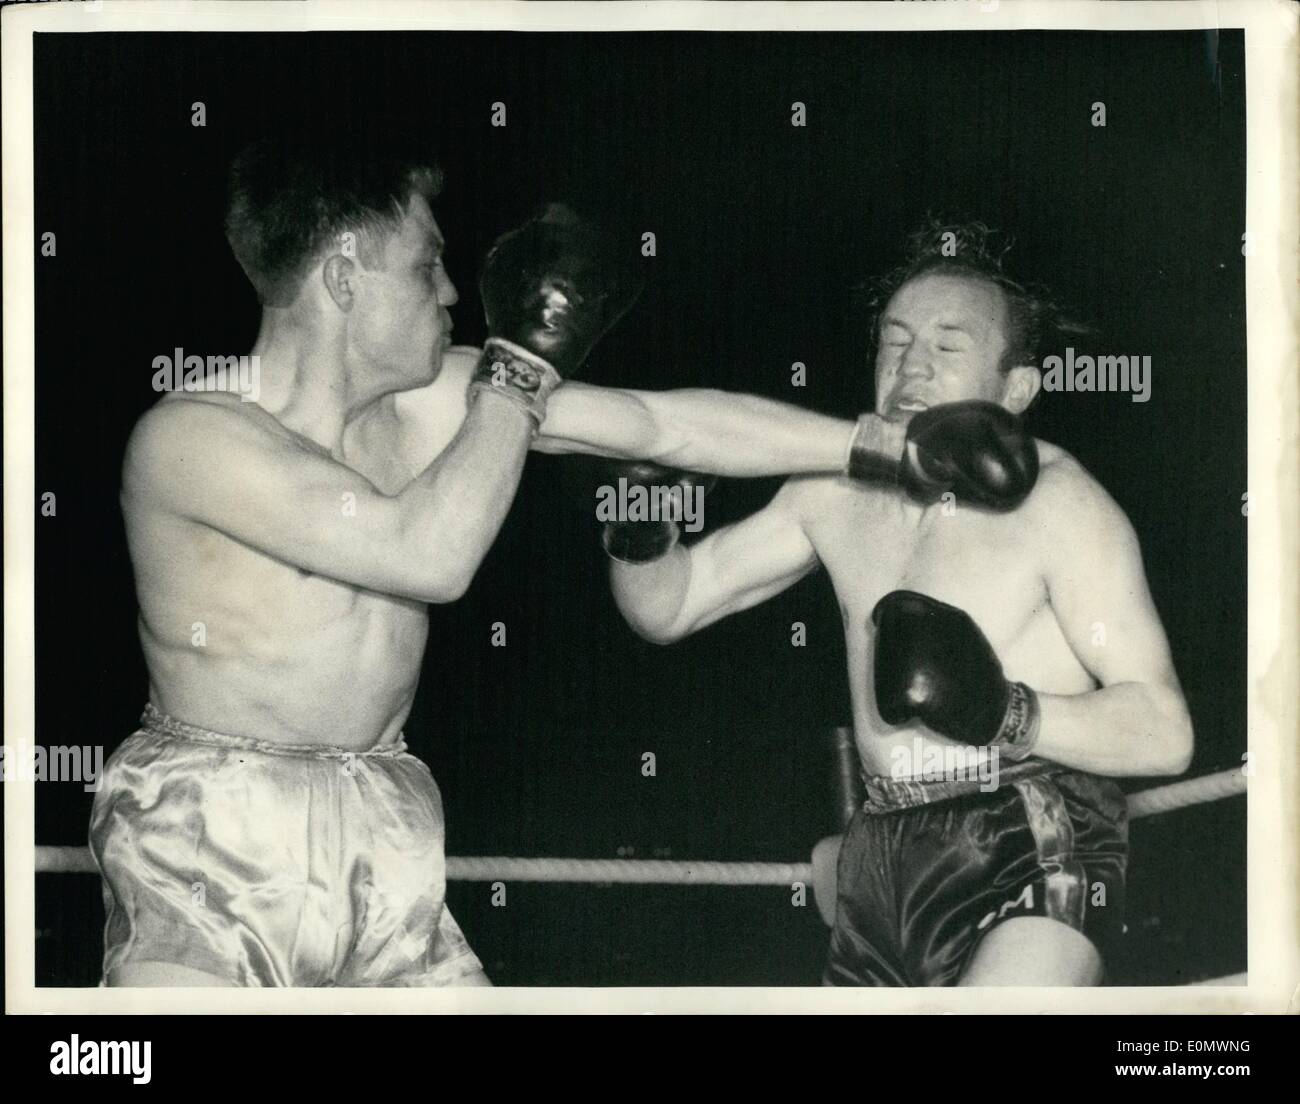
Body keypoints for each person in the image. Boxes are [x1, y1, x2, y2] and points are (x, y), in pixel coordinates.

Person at [90, 138, 933, 987]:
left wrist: (891, 449)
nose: (454, 291)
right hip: (211, 837)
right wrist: (519, 370)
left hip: (384, 823)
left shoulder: (429, 402)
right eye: (427, 266)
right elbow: (425, 555)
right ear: (344, 278)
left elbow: (662, 423)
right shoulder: (190, 440)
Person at [602, 221, 1193, 986]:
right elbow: (669, 607)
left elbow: (1164, 731)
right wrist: (640, 520)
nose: (912, 367)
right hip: (883, 848)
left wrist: (1004, 710)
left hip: (1028, 829)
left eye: (947, 348)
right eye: (895, 342)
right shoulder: (832, 490)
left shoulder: (1060, 504)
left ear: (1016, 389)